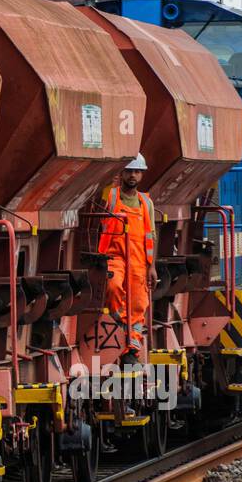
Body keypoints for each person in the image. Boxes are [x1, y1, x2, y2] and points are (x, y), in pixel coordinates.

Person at [98, 154, 158, 366]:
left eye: (137, 171)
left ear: (141, 174)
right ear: (121, 173)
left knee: (139, 304)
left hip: (139, 262)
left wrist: (152, 267)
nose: (132, 175)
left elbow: (151, 235)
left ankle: (131, 349)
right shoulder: (112, 197)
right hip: (114, 257)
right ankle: (120, 325)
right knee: (113, 287)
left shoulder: (146, 203)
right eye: (129, 171)